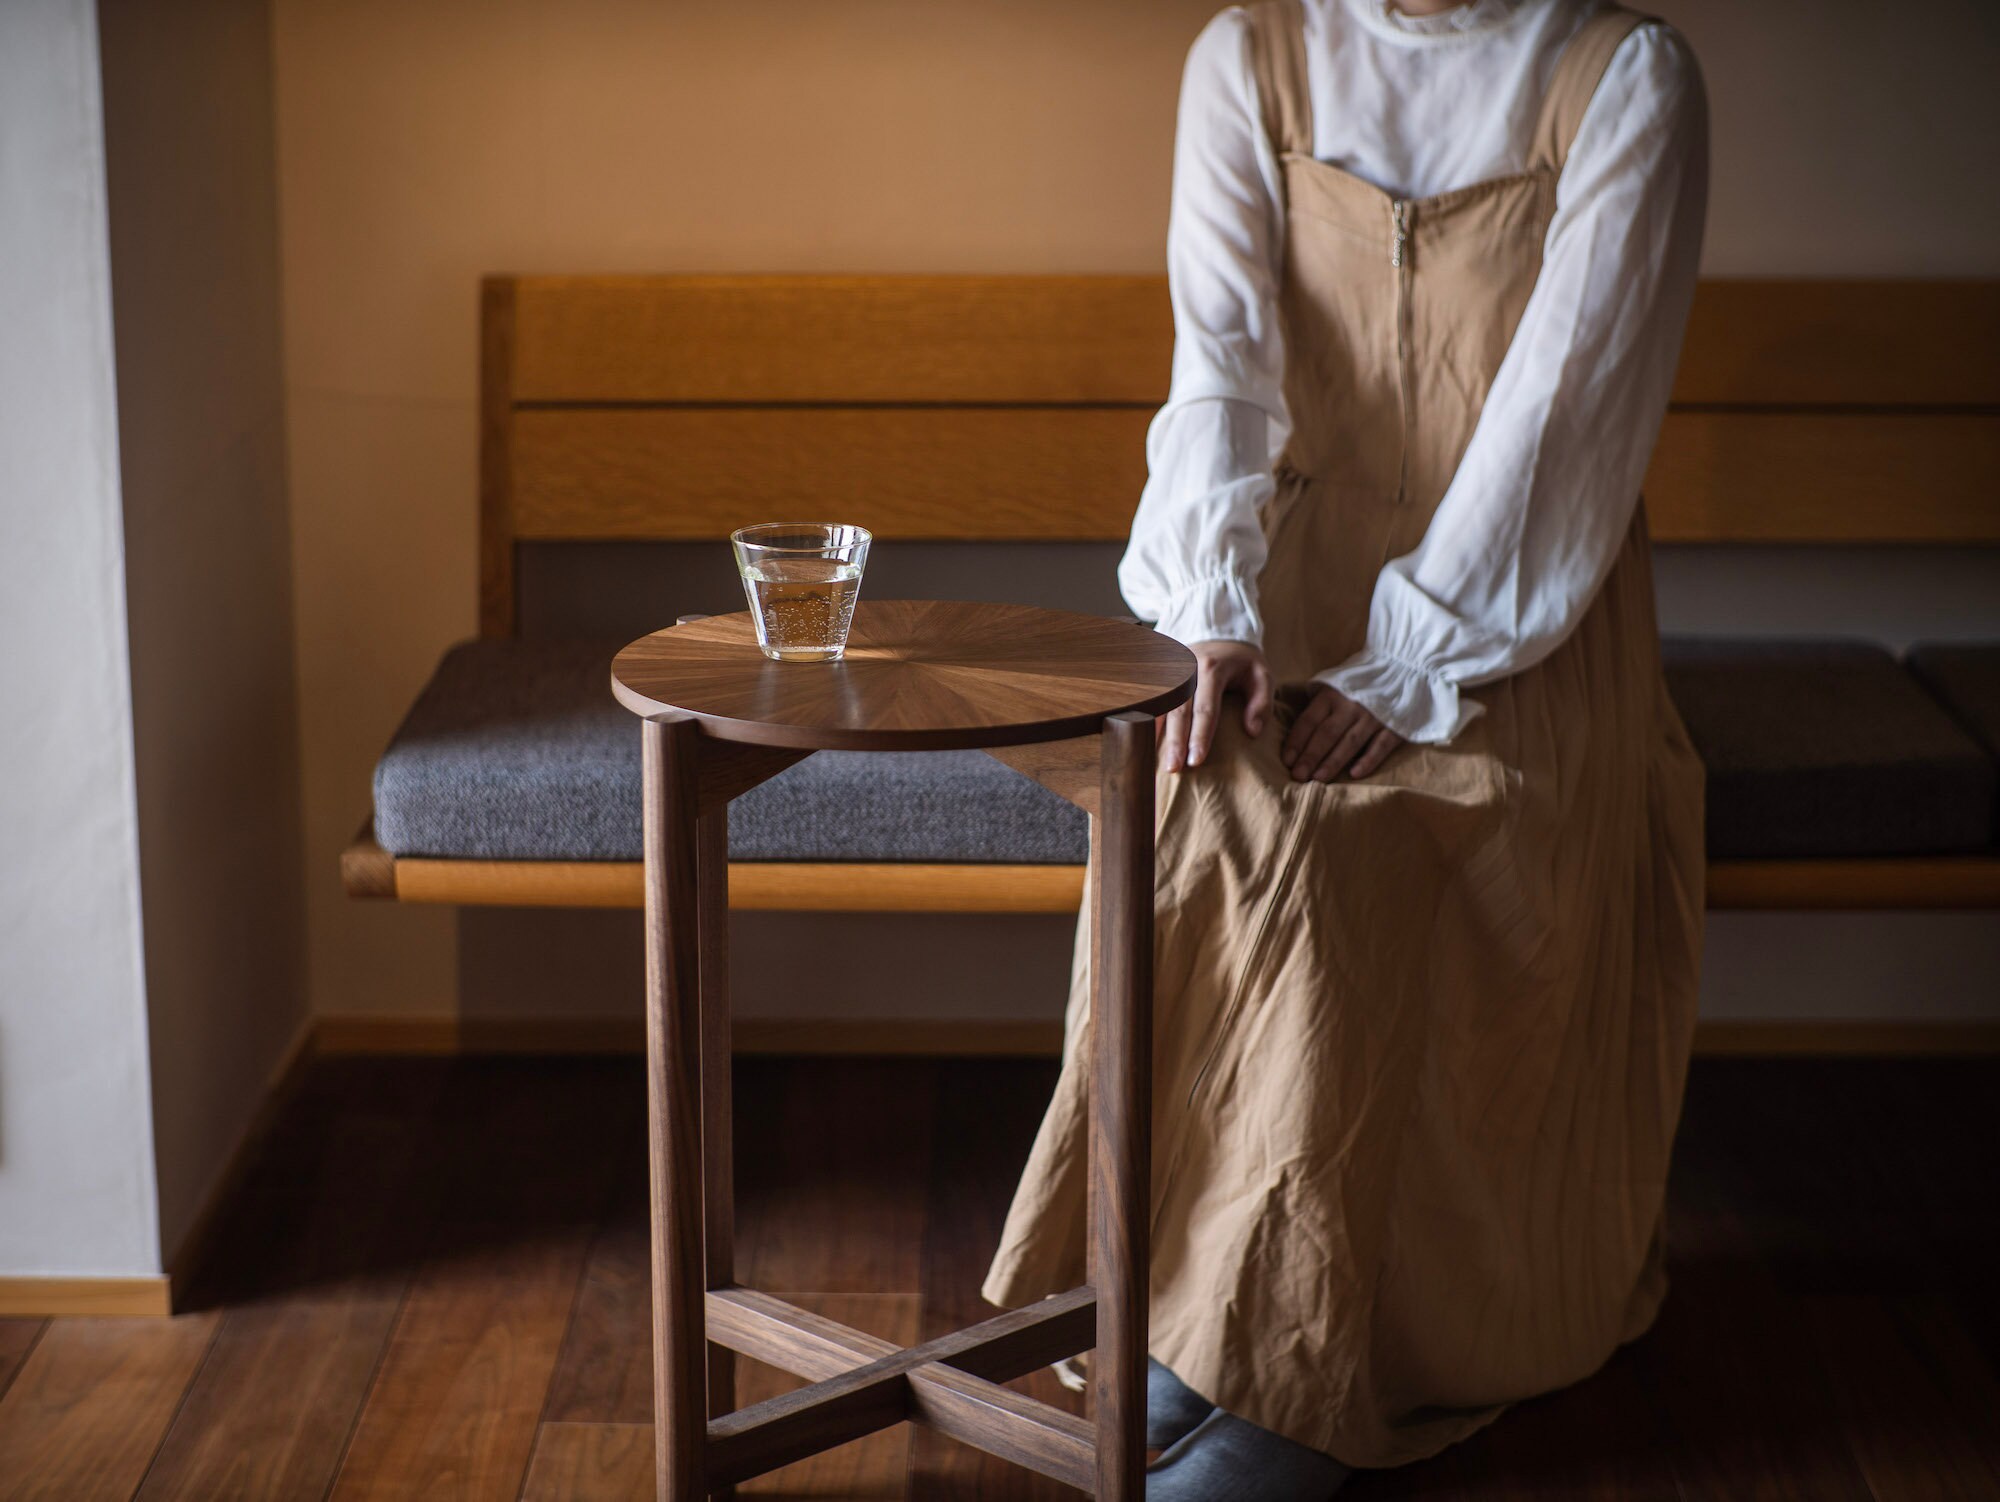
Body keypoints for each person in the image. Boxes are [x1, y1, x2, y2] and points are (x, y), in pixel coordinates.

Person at [983, 0, 1709, 1496]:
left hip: (1526, 622)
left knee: (1390, 835)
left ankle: (1294, 1379)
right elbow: (1223, 359)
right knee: (1205, 800)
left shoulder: (1625, 78)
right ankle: (1197, 1312)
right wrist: (1214, 615)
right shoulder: (1248, 59)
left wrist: (1423, 651)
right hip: (1286, 592)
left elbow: (1567, 413)